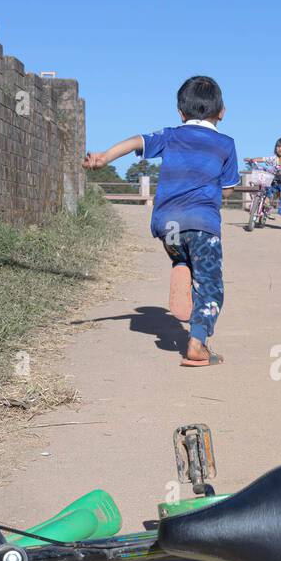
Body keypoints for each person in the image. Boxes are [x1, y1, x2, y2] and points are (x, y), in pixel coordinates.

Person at [84, 76, 238, 367]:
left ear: (181, 113)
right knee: (210, 285)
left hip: (166, 225)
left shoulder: (171, 135)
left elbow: (136, 141)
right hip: (203, 225)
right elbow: (228, 189)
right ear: (222, 111)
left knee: (182, 251)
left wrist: (104, 157)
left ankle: (180, 262)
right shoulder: (226, 144)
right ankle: (197, 343)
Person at [246, 138, 281, 231]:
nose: (280, 149)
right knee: (266, 190)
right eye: (278, 146)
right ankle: (264, 208)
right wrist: (252, 160)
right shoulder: (274, 158)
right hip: (277, 181)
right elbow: (263, 159)